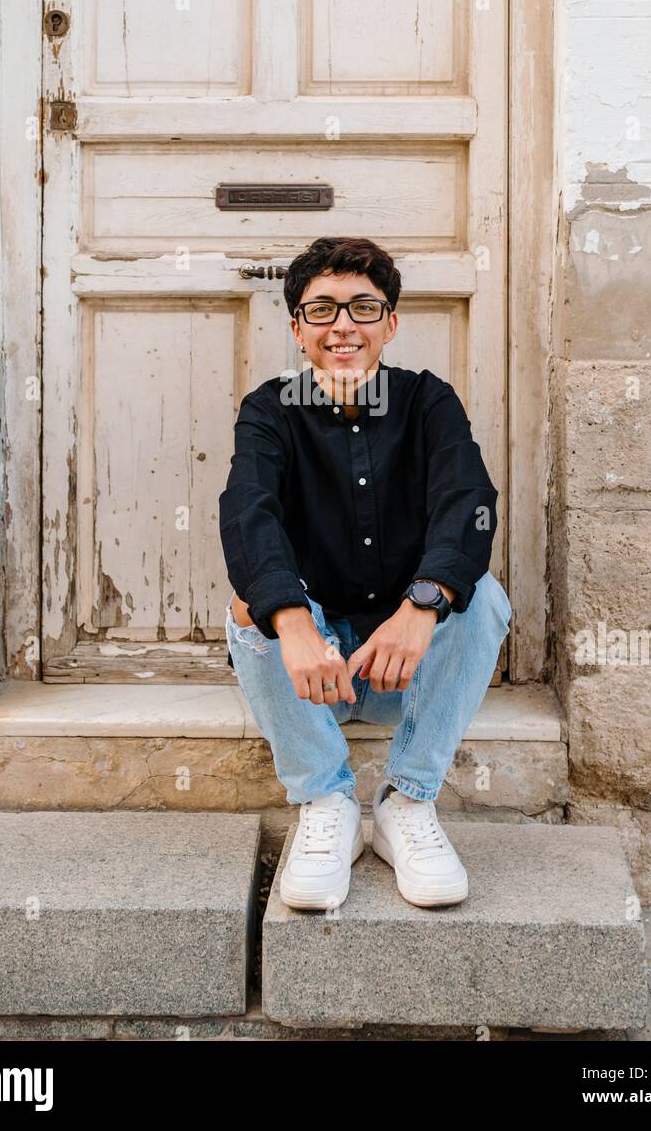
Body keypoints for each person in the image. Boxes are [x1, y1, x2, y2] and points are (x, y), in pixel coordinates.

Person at [218, 237, 512, 911]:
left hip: (399, 674)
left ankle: (407, 802)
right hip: (310, 673)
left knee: (482, 598)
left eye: (361, 307)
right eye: (320, 310)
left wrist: (419, 608)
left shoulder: (427, 403)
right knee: (247, 605)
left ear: (389, 323)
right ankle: (324, 800)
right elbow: (248, 513)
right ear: (296, 328)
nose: (342, 325)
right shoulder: (270, 410)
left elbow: (467, 505)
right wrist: (289, 623)